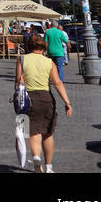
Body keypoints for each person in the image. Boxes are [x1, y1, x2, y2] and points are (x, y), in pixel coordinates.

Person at [17, 33, 73, 172]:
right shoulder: (49, 62)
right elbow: (58, 83)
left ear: (29, 47)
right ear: (43, 48)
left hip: (28, 99)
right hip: (46, 98)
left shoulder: (22, 59)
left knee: (34, 132)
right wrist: (67, 102)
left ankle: (36, 157)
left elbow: (18, 82)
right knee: (48, 133)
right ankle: (48, 167)